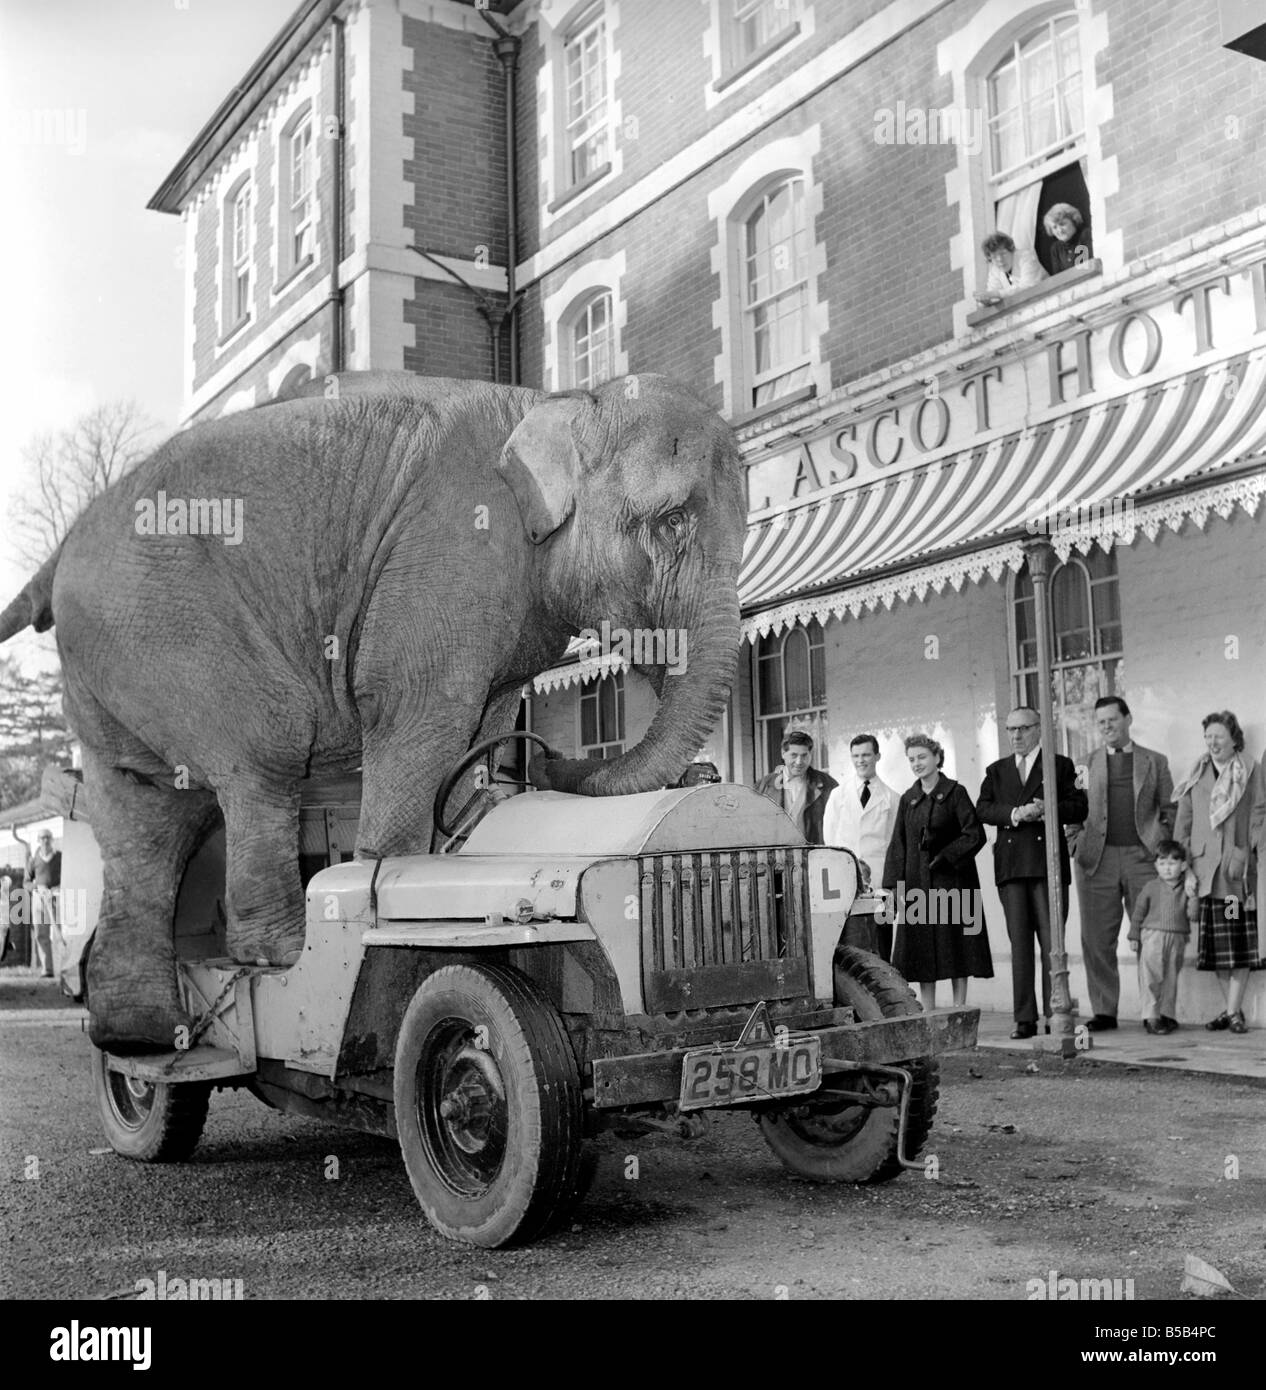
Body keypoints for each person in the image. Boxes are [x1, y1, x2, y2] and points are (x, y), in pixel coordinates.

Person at [977, 707, 1088, 1039]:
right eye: (1011, 730)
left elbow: (1079, 807)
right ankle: (1024, 1017)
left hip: (1047, 864)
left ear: (1039, 729)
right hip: (1012, 867)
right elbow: (983, 808)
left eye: (1023, 728)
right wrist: (1014, 813)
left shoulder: (1060, 766)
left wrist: (1045, 810)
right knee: (1020, 945)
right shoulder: (997, 770)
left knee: (1052, 943)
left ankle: (1056, 1013)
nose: (1016, 736)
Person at [1073, 695, 1175, 1032]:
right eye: (1100, 722)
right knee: (1097, 939)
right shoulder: (1084, 764)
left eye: (1112, 720)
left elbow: (1169, 809)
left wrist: (1161, 846)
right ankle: (1104, 1011)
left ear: (1127, 719)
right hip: (1096, 861)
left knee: (1154, 935)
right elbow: (1072, 813)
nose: (1106, 727)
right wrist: (1076, 845)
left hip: (1143, 857)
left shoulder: (1155, 761)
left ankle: (1155, 1012)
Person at [883, 734, 992, 1012]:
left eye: (922, 757)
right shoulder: (909, 799)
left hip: (954, 883)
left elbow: (974, 834)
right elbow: (899, 845)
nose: (917, 764)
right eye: (911, 760)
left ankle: (959, 1008)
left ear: (936, 758)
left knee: (958, 945)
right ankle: (928, 1011)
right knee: (921, 949)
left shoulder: (956, 793)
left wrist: (947, 855)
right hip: (918, 885)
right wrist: (893, 887)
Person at [1173, 710, 1265, 1035]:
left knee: (1236, 945)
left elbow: (1259, 816)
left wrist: (1245, 851)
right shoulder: (1196, 774)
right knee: (1216, 949)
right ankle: (1232, 1012)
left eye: (1219, 737)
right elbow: (1182, 825)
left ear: (1234, 739)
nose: (1213, 743)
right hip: (1204, 876)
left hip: (1233, 879)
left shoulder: (1250, 772)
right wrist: (1185, 868)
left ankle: (1231, 1012)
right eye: (1208, 737)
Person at [822, 733, 900, 960]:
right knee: (849, 941)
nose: (861, 760)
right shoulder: (838, 796)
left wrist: (892, 885)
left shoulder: (892, 798)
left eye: (866, 754)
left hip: (881, 880)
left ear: (877, 756)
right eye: (856, 755)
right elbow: (830, 840)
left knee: (882, 940)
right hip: (845, 879)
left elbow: (895, 845)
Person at [1127, 840, 1198, 1035]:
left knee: (1171, 977)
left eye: (1172, 863)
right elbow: (1138, 912)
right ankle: (1151, 1016)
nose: (1167, 869)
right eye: (1162, 863)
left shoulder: (1186, 888)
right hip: (1153, 936)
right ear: (1156, 866)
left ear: (1183, 866)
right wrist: (1134, 935)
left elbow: (1194, 916)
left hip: (1177, 937)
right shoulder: (1151, 887)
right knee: (1151, 975)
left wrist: (1193, 897)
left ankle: (1167, 1015)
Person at [756, 730, 838, 845]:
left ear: (811, 754)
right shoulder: (763, 786)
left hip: (814, 855)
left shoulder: (828, 785)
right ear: (783, 754)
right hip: (775, 857)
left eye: (804, 755)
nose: (799, 762)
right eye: (794, 755)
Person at [24, 830, 62, 980]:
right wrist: (37, 888)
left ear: (52, 840)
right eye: (42, 838)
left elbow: (68, 875)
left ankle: (64, 968)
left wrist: (59, 887)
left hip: (58, 898)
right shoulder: (33, 861)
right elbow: (26, 882)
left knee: (61, 932)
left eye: (48, 838)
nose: (45, 841)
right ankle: (47, 970)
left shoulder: (60, 857)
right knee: (41, 934)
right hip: (39, 900)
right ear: (38, 841)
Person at [975, 232, 1048, 307]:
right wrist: (985, 301)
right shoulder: (994, 271)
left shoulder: (1025, 257)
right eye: (994, 257)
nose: (1000, 259)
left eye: (1003, 253)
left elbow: (1028, 286)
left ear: (1012, 250)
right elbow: (992, 294)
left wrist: (997, 294)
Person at [1042, 202, 1092, 273]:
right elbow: (1058, 278)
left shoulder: (1086, 235)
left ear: (1073, 221)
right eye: (1054, 227)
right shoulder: (1056, 248)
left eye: (1062, 224)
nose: (1059, 230)